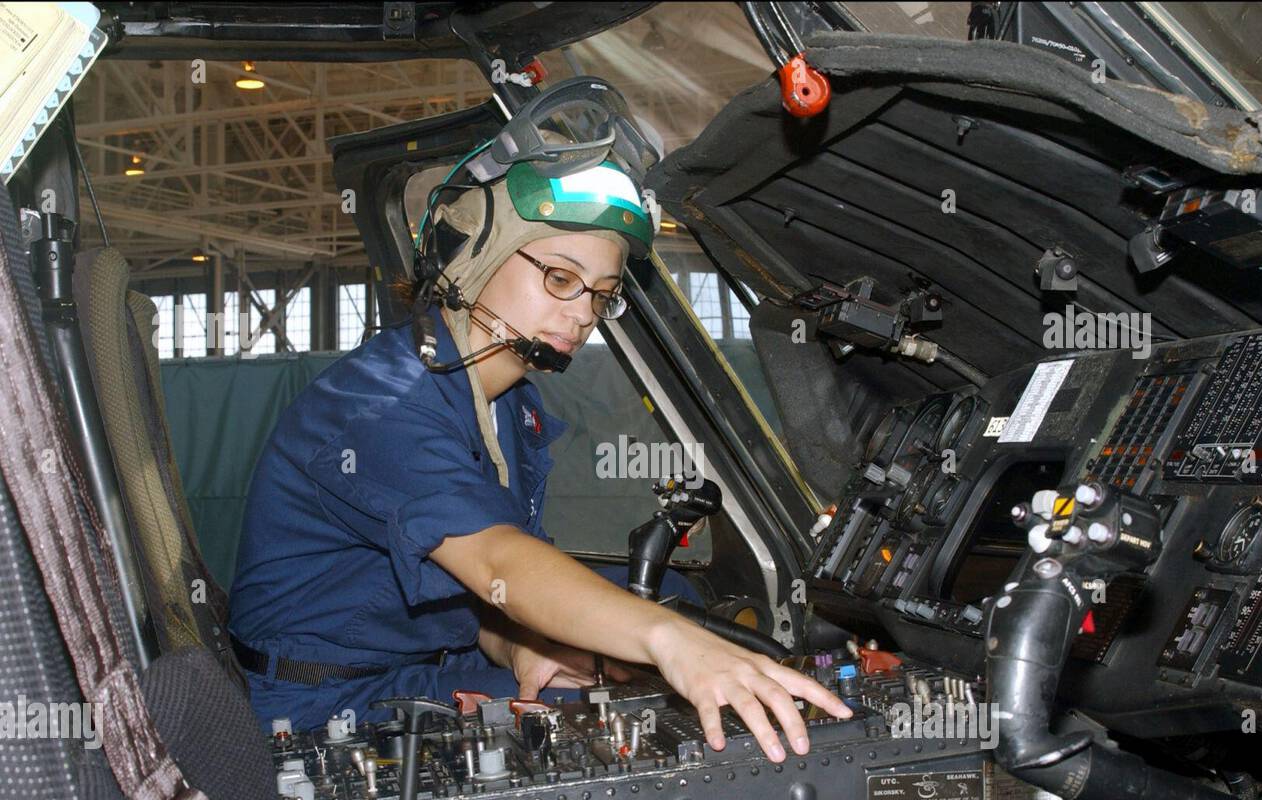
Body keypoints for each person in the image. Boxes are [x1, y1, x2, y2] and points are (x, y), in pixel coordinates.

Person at [227, 153, 850, 764]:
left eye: (602, 296)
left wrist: (516, 647)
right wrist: (670, 643)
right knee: (634, 711)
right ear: (472, 256)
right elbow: (502, 560)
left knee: (641, 660)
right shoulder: (381, 406)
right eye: (559, 278)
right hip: (316, 702)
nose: (582, 315)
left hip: (421, 663)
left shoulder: (511, 407)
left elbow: (476, 597)